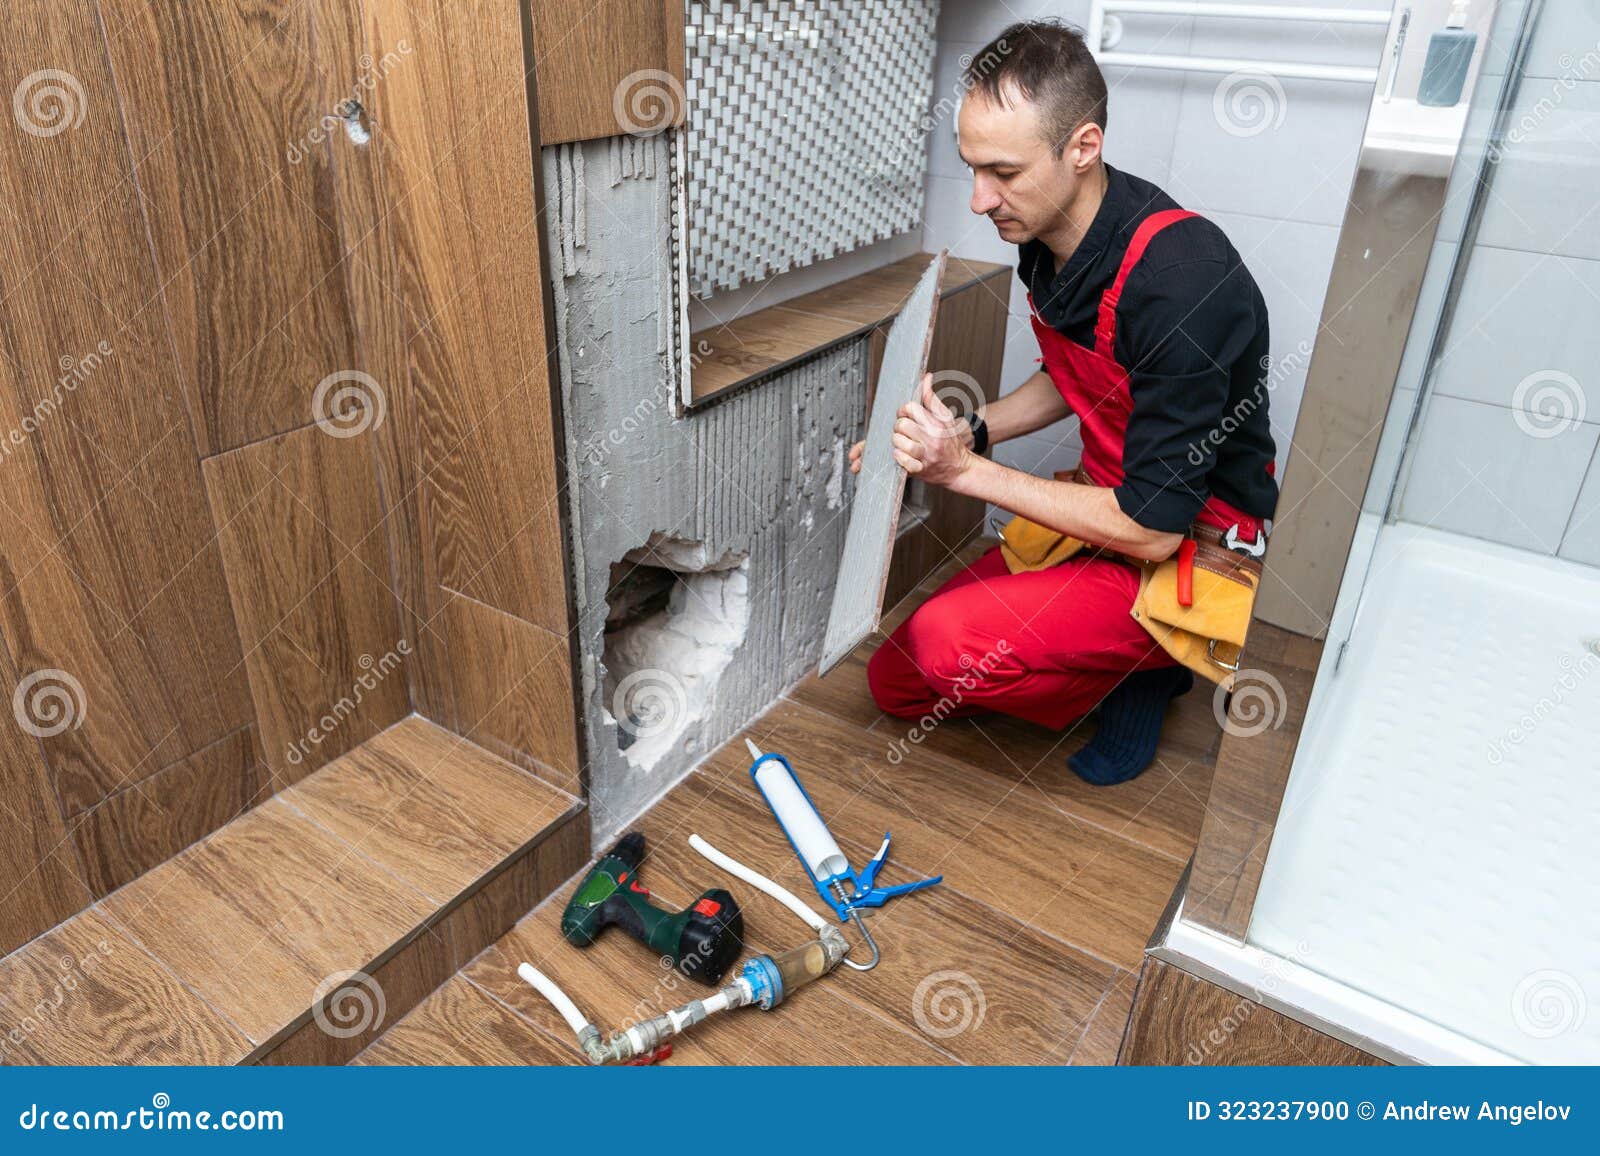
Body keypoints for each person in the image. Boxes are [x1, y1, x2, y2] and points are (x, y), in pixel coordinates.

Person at [854, 19, 1278, 785]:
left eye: (1004, 172)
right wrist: (970, 430)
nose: (981, 200)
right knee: (898, 681)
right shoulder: (1046, 234)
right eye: (972, 168)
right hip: (1107, 503)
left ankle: (1148, 665)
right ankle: (1116, 650)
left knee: (951, 645)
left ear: (1082, 148)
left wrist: (963, 472)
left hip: (1183, 541)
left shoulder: (1184, 282)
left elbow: (1152, 530)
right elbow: (1078, 377)